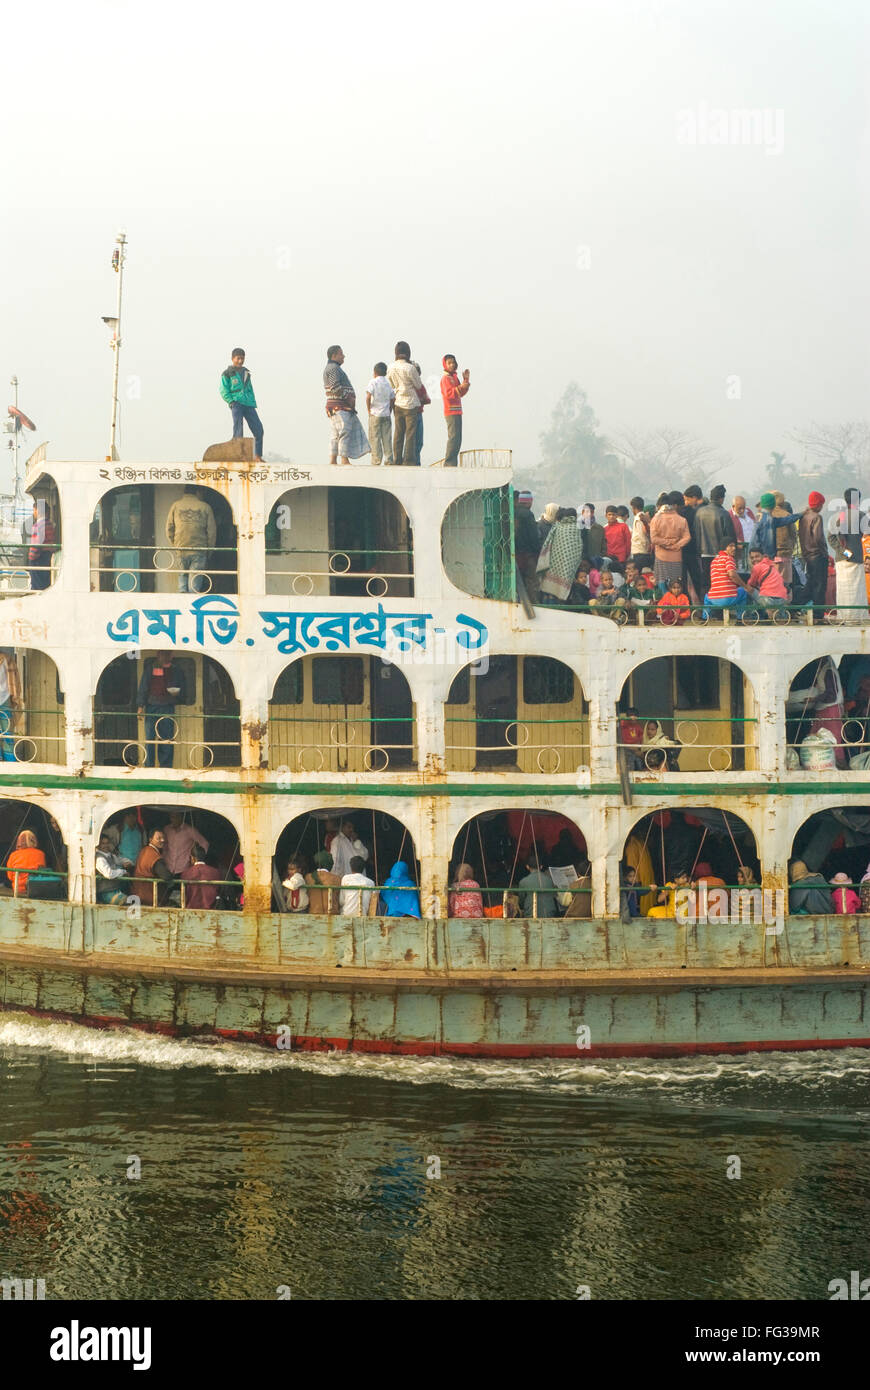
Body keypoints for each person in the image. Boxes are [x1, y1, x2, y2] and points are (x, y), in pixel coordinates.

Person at [137, 652, 188, 769]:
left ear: (172, 656)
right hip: (151, 707)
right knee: (149, 739)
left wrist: (176, 696)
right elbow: (143, 688)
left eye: (167, 654)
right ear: (157, 655)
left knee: (167, 739)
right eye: (162, 654)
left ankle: (165, 768)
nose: (164, 657)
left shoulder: (177, 671)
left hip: (167, 707)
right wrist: (140, 706)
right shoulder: (151, 669)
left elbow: (183, 689)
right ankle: (148, 767)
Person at [323, 345, 370, 466]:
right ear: (334, 356)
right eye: (341, 354)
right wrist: (348, 398)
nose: (343, 356)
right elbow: (335, 386)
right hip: (340, 406)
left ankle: (333, 460)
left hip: (335, 407)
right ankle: (344, 459)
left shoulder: (331, 368)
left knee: (335, 434)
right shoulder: (333, 368)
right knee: (344, 432)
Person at [165, 487, 216, 594]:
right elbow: (211, 533)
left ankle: (182, 603)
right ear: (198, 492)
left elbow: (169, 529)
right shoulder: (205, 507)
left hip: (181, 549)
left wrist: (175, 546)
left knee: (182, 582)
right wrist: (209, 551)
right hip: (199, 550)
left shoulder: (175, 505)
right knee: (194, 586)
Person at [828, 487, 867, 622]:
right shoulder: (861, 516)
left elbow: (831, 538)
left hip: (841, 560)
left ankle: (844, 617)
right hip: (855, 559)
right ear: (858, 500)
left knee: (843, 591)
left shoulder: (837, 517)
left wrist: (843, 551)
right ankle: (857, 618)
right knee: (857, 591)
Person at [219, 348, 264, 460]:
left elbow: (250, 389)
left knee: (259, 429)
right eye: (238, 358)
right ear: (232, 358)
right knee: (238, 429)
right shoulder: (227, 373)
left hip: (248, 404)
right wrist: (231, 401)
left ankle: (257, 456)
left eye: (242, 358)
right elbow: (223, 390)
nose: (240, 361)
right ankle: (238, 455)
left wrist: (252, 401)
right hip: (236, 403)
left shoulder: (246, 373)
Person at [694, 485, 737, 594]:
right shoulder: (723, 513)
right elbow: (730, 536)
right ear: (721, 498)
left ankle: (708, 607)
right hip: (720, 554)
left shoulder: (699, 512)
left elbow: (696, 533)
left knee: (707, 582)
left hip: (704, 553)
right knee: (721, 582)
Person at [387, 342, 425, 466]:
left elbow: (391, 385)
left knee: (398, 433)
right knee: (410, 434)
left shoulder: (391, 367)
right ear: (408, 352)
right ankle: (408, 460)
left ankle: (397, 459)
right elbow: (418, 385)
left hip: (398, 403)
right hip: (411, 403)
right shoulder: (411, 368)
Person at [537, 509, 584, 604]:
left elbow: (548, 543)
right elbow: (579, 548)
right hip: (568, 566)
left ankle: (548, 607)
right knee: (562, 591)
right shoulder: (577, 528)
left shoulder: (557, 527)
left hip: (553, 563)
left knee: (548, 589)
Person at [649, 492, 691, 589]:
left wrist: (667, 543)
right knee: (676, 583)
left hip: (661, 556)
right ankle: (675, 602)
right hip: (676, 556)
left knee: (661, 581)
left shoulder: (656, 519)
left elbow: (654, 539)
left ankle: (665, 601)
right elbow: (687, 537)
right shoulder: (681, 519)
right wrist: (676, 545)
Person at [798, 491, 829, 610]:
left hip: (807, 556)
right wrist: (825, 553)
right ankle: (818, 614)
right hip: (817, 555)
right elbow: (818, 537)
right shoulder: (817, 517)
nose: (822, 507)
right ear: (818, 504)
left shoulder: (803, 517)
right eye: (821, 504)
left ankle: (795, 606)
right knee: (820, 586)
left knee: (811, 585)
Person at [704, 541, 748, 617]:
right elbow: (732, 575)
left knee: (706, 597)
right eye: (731, 546)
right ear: (725, 547)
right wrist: (745, 586)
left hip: (713, 600)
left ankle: (705, 618)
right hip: (728, 599)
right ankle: (740, 618)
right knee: (743, 591)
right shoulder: (729, 559)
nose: (734, 548)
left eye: (734, 546)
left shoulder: (714, 561)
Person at [440, 354, 470, 466]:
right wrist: (462, 386)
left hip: (457, 411)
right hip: (450, 411)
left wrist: (465, 381)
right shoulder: (445, 378)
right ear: (445, 364)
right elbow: (449, 394)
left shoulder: (454, 377)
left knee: (457, 439)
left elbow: (461, 393)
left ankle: (453, 463)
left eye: (453, 362)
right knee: (453, 438)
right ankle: (449, 463)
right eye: (449, 363)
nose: (452, 365)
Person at [133, 828, 173, 907]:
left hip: (138, 891)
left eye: (163, 838)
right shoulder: (153, 855)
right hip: (149, 895)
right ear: (150, 839)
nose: (162, 840)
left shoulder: (144, 850)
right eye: (158, 838)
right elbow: (166, 876)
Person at [365, 362, 395, 466]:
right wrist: (390, 409)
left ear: (375, 372)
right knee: (387, 438)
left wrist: (369, 410)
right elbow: (392, 399)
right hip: (386, 414)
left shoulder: (373, 382)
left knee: (375, 438)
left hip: (375, 414)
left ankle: (376, 461)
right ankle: (389, 459)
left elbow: (368, 397)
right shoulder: (388, 383)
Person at [678, 485, 705, 600]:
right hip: (694, 551)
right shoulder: (697, 513)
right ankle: (702, 604)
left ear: (694, 497)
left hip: (681, 551)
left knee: (683, 580)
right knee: (697, 579)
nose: (686, 502)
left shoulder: (680, 513)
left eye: (687, 499)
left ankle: (687, 605)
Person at [162, 810, 209, 876]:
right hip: (168, 867)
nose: (174, 819)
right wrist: (164, 857)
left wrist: (198, 857)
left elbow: (204, 843)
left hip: (184, 868)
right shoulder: (167, 829)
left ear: (182, 817)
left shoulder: (190, 830)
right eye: (172, 817)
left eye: (176, 817)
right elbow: (164, 845)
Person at [772, 491, 799, 595]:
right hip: (785, 556)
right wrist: (790, 549)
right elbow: (793, 535)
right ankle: (784, 609)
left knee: (772, 585)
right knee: (785, 585)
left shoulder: (767, 516)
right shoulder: (787, 515)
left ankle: (772, 609)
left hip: (771, 557)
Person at [7, 829, 47, 898]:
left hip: (18, 889)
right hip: (36, 889)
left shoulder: (13, 855)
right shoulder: (41, 854)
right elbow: (43, 871)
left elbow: (10, 876)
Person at [518, 847, 557, 917]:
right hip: (549, 915)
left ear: (527, 867)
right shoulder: (550, 880)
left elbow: (521, 902)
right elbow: (554, 896)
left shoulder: (523, 882)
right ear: (541, 866)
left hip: (531, 915)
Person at [26, 501, 56, 591]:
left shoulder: (38, 525)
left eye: (34, 510)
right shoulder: (49, 524)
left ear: (38, 510)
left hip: (38, 559)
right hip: (47, 557)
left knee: (37, 586)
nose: (33, 513)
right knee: (45, 584)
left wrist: (31, 558)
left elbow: (36, 545)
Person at [746, 545, 788, 610]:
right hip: (782, 600)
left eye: (757, 556)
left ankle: (753, 613)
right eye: (752, 558)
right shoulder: (772, 564)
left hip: (768, 601)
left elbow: (751, 584)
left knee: (748, 589)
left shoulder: (757, 567)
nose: (754, 559)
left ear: (763, 556)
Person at [0, 649, 23, 762]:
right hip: (6, 699)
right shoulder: (8, 658)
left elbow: (16, 679)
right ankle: (9, 760)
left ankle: (10, 760)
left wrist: (15, 696)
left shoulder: (7, 659)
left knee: (7, 732)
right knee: (7, 732)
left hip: (5, 699)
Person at [180, 844, 218, 910]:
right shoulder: (215, 872)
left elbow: (184, 894)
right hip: (211, 910)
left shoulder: (185, 873)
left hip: (191, 909)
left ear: (192, 858)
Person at [95, 833, 128, 904]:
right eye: (103, 843)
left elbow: (120, 860)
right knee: (126, 901)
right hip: (105, 892)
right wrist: (123, 872)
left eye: (107, 843)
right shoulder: (100, 858)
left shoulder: (110, 855)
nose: (106, 845)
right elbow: (109, 874)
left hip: (115, 889)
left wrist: (130, 863)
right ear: (98, 845)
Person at [306, 849, 341, 914]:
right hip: (332, 915)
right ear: (330, 864)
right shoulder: (337, 879)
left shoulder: (308, 878)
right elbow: (340, 900)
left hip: (313, 913)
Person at [730, 496, 756, 567]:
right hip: (740, 552)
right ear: (733, 506)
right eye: (739, 508)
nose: (742, 510)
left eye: (743, 507)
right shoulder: (729, 515)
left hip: (752, 550)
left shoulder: (749, 511)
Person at [603, 505, 631, 571]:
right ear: (606, 516)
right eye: (609, 515)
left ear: (616, 516)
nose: (611, 516)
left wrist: (626, 555)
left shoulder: (623, 526)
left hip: (621, 559)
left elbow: (628, 543)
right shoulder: (604, 529)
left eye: (613, 514)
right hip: (609, 559)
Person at [629, 496, 651, 567]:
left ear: (633, 508)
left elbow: (641, 534)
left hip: (640, 550)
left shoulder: (639, 518)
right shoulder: (642, 516)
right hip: (641, 550)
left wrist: (645, 547)